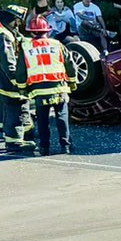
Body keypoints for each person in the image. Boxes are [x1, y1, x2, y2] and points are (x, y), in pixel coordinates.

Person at [22, 11, 72, 155]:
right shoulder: (57, 44)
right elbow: (70, 65)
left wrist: (22, 88)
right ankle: (66, 146)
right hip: (59, 88)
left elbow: (21, 71)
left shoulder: (26, 48)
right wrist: (73, 83)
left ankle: (44, 148)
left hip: (39, 91)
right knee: (62, 116)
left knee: (43, 120)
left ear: (32, 33)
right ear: (47, 32)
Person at [0, 4, 31, 154]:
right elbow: (8, 61)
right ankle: (14, 141)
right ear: (14, 19)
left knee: (4, 100)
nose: (19, 25)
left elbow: (18, 36)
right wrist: (17, 81)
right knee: (15, 103)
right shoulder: (3, 36)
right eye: (18, 21)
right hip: (2, 75)